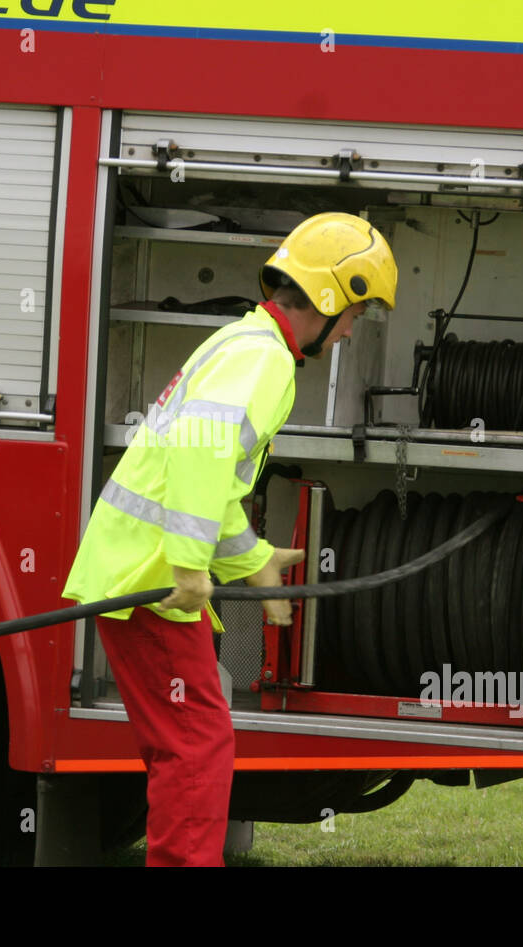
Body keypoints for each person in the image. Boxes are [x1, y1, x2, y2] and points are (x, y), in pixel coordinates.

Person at [63, 212, 398, 866]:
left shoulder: (245, 342)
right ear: (329, 299)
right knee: (198, 743)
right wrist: (191, 566)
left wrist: (253, 560)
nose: (356, 328)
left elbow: (213, 481)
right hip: (153, 583)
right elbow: (197, 458)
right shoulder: (265, 360)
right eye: (358, 310)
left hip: (135, 574)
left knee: (185, 742)